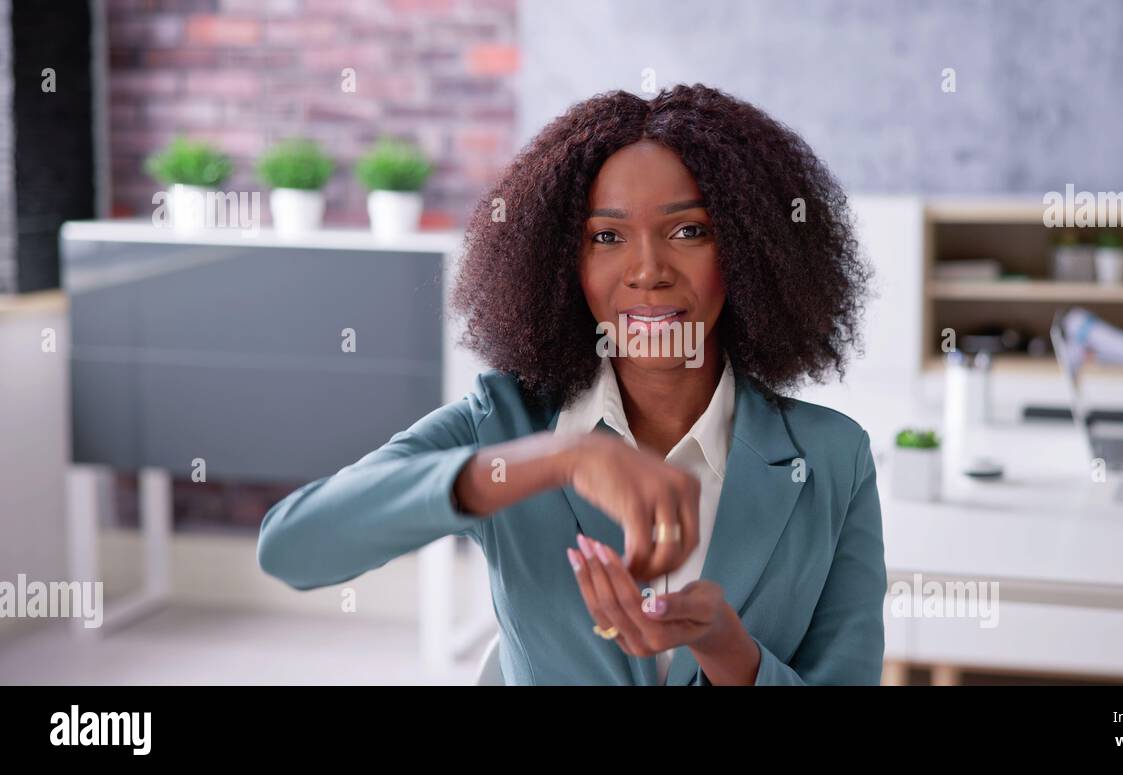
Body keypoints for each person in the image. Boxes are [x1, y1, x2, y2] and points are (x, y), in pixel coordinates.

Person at [257, 83, 885, 685]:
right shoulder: (503, 426)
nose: (647, 271)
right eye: (606, 237)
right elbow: (294, 547)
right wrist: (555, 459)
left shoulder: (832, 459)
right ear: (564, 264)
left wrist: (728, 649)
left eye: (688, 230)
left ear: (751, 252)